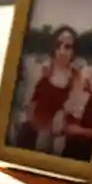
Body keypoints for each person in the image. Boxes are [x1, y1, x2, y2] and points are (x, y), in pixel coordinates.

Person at [19, 27, 80, 156]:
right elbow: (28, 102)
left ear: (74, 51)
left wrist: (62, 114)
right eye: (58, 45)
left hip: (58, 131)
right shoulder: (43, 69)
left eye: (67, 47)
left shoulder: (75, 77)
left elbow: (73, 107)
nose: (62, 51)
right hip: (34, 128)